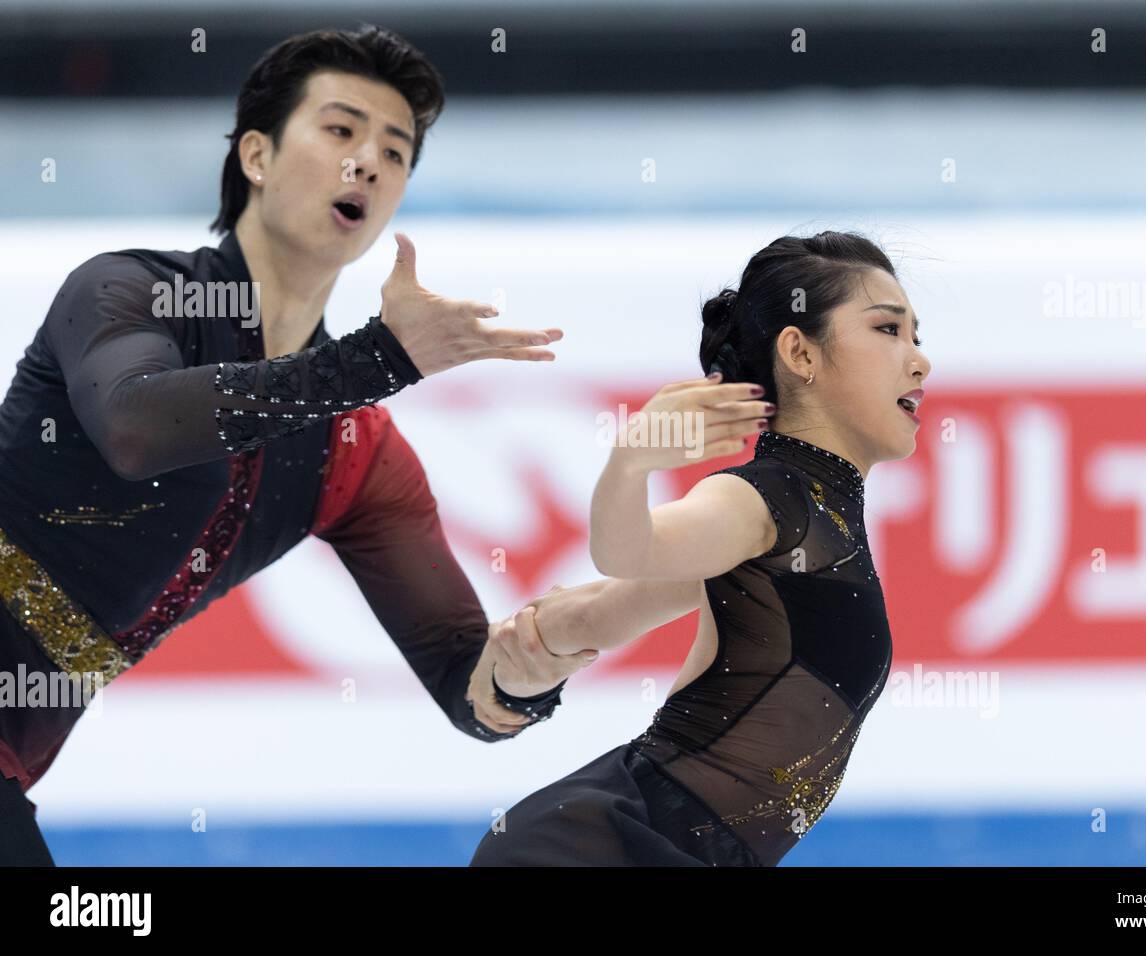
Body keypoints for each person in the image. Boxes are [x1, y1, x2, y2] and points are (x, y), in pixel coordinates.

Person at [0, 24, 591, 866]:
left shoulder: (353, 453)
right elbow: (137, 427)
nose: (370, 163)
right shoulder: (130, 291)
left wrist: (526, 674)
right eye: (340, 130)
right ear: (257, 157)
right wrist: (379, 357)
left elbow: (466, 683)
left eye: (395, 151)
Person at [470, 231, 932, 866]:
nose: (918, 360)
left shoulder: (810, 527)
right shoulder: (763, 503)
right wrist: (631, 464)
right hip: (600, 850)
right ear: (799, 352)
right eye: (888, 330)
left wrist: (523, 666)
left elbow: (603, 608)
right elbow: (629, 552)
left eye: (917, 337)